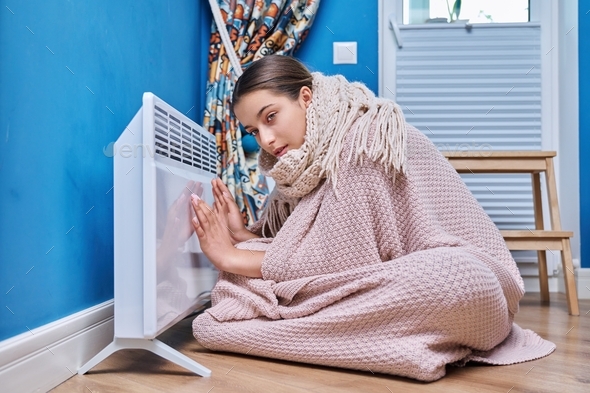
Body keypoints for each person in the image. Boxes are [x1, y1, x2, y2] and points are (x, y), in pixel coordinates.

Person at [189, 54, 555, 381]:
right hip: (377, 285)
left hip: (469, 295)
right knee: (231, 304)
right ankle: (402, 345)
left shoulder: (361, 137)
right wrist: (244, 235)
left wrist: (231, 256)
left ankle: (303, 336)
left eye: (271, 117)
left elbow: (338, 258)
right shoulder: (299, 164)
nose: (266, 139)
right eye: (253, 131)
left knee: (458, 277)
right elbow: (304, 247)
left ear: (305, 98)